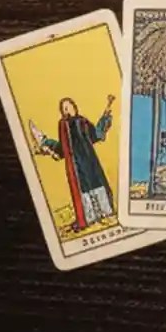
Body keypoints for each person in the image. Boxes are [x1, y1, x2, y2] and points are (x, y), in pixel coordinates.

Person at [33, 96, 116, 231]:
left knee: (96, 183)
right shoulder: (63, 125)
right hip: (76, 164)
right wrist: (49, 148)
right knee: (83, 187)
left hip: (90, 160)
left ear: (74, 106)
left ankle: (104, 211)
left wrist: (105, 117)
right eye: (64, 108)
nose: (67, 109)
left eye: (69, 106)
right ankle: (89, 217)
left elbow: (96, 135)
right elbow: (64, 147)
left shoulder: (83, 121)